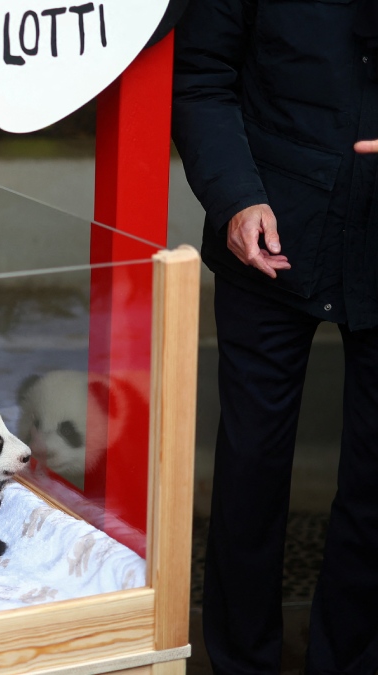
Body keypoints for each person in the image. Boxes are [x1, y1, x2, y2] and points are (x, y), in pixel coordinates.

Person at [172, 0, 378, 672]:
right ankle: (240, 660)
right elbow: (199, 75)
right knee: (250, 470)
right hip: (270, 230)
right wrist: (235, 197)